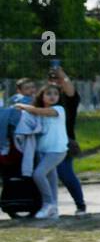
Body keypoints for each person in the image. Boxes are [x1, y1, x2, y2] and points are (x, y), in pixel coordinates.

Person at [14, 83, 69, 220]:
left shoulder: (59, 110)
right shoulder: (36, 113)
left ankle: (47, 204)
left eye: (55, 94)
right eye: (48, 94)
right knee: (51, 179)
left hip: (57, 150)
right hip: (42, 151)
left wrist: (23, 106)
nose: (52, 96)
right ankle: (54, 208)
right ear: (42, 96)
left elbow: (39, 111)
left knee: (38, 174)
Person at [50, 66, 86, 215]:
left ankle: (80, 205)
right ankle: (48, 206)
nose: (57, 83)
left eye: (59, 81)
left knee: (65, 174)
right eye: (53, 80)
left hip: (64, 144)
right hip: (45, 144)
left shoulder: (68, 100)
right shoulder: (44, 99)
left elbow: (69, 88)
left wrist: (62, 73)